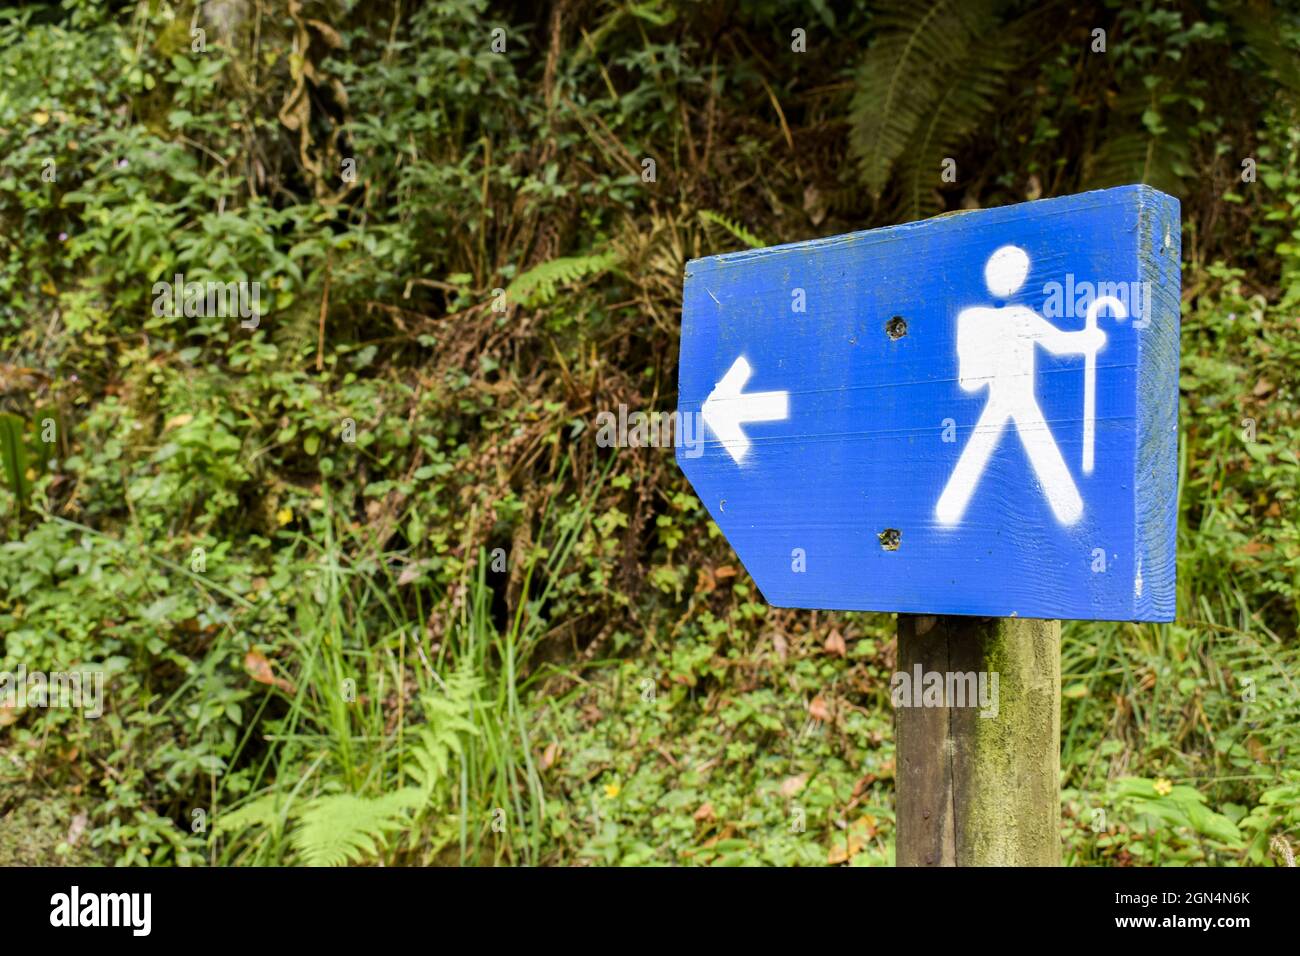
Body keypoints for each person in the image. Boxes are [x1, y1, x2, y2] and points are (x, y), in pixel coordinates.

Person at [935, 245, 1105, 528]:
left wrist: (1090, 340)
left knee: (997, 445)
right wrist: (1089, 340)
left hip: (1019, 394)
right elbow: (971, 373)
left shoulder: (1013, 317)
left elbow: (1059, 343)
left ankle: (1069, 510)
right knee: (992, 446)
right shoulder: (985, 318)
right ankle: (949, 510)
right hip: (1005, 394)